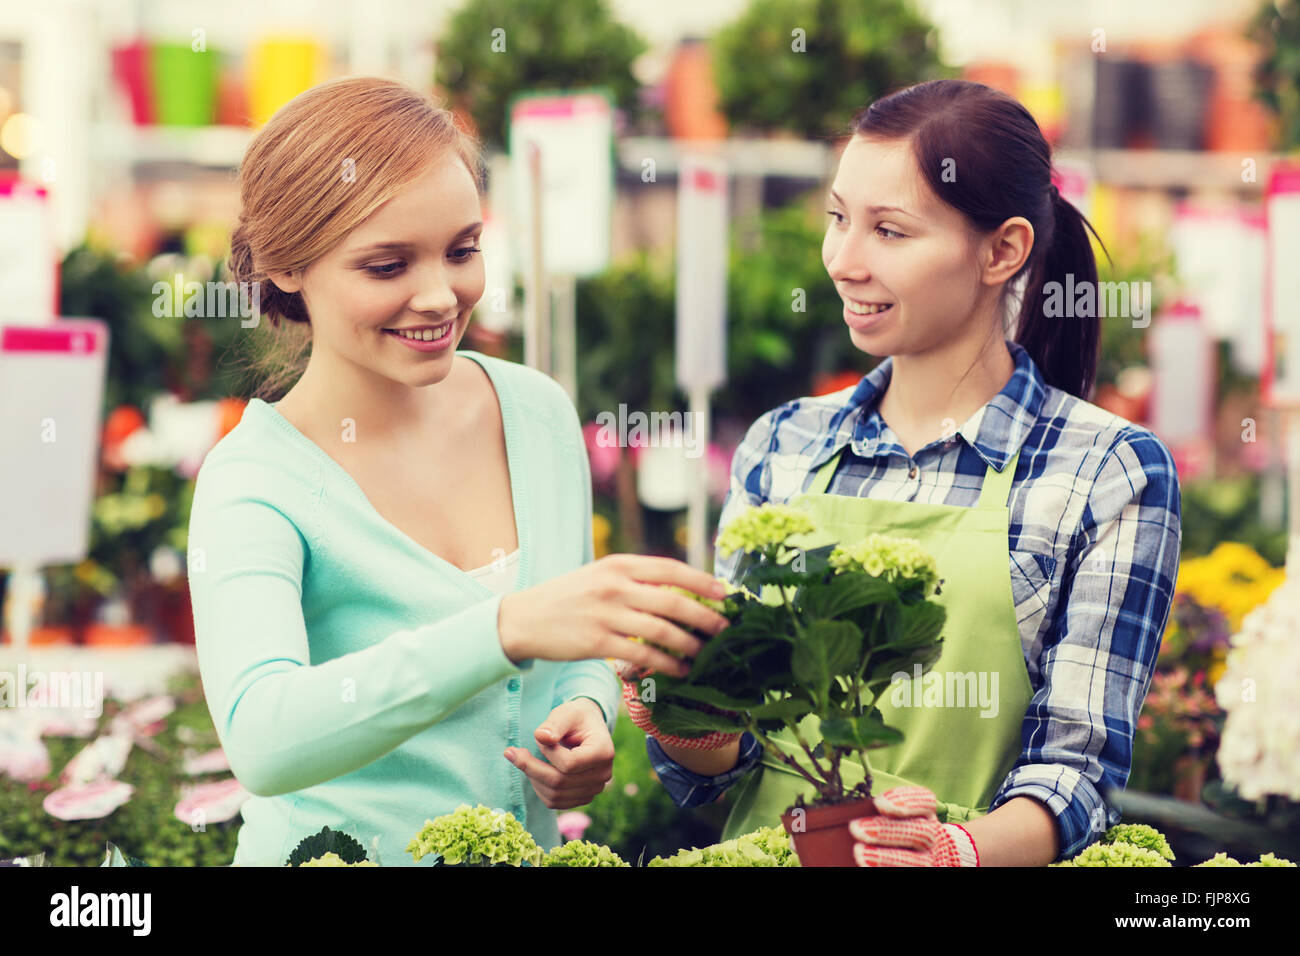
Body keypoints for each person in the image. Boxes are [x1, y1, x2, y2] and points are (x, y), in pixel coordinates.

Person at [622, 79, 1182, 867]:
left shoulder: (1106, 472)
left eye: (890, 231)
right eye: (838, 219)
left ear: (1003, 250)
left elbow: (1077, 774)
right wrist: (690, 719)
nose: (844, 261)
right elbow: (733, 769)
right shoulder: (782, 447)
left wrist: (952, 851)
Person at [190, 76, 729, 867]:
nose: (440, 295)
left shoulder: (535, 413)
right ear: (287, 266)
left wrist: (584, 711)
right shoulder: (253, 481)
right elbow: (263, 738)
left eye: (462, 249)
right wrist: (503, 629)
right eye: (386, 266)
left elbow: (572, 644)